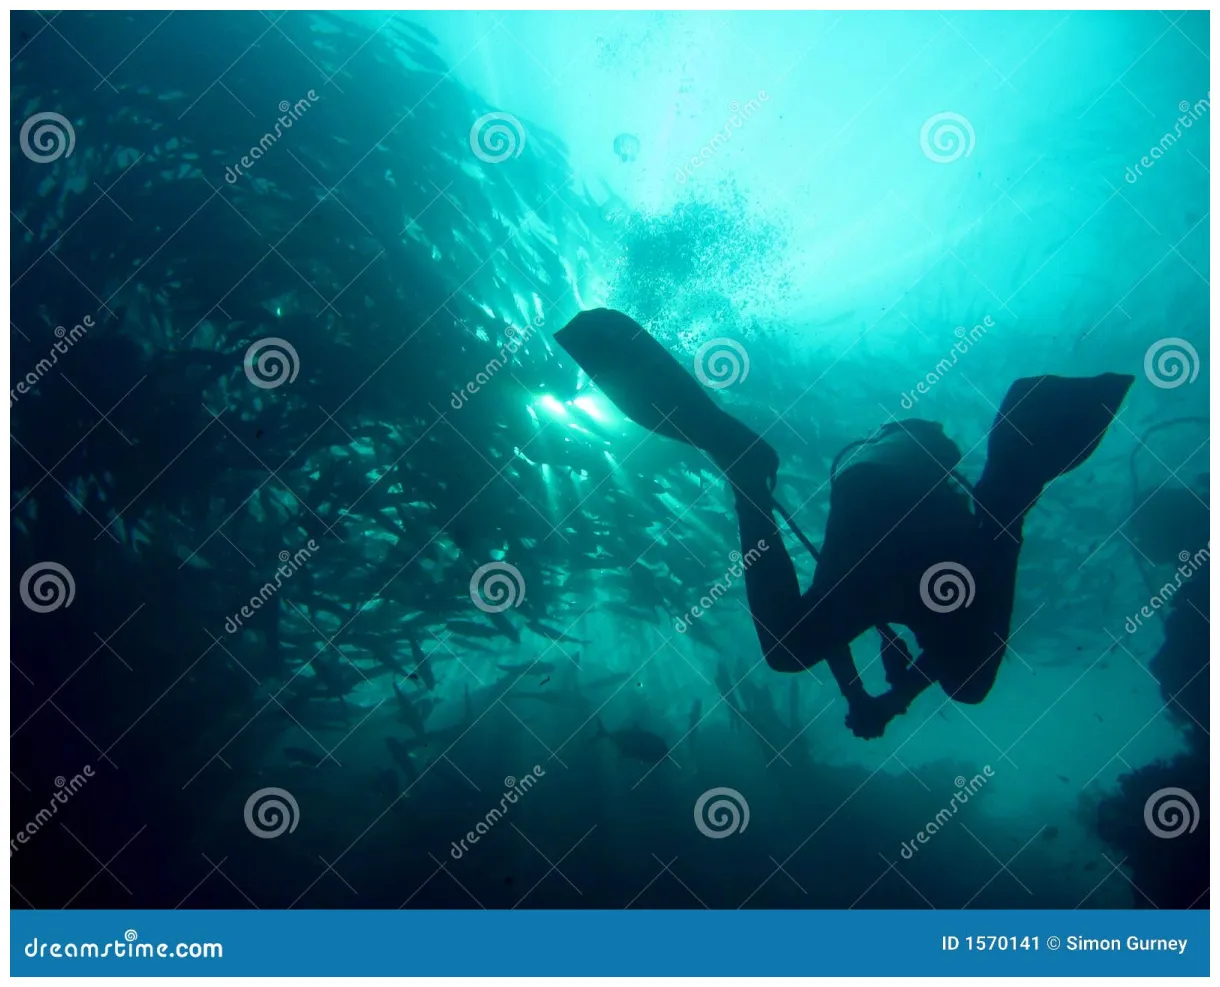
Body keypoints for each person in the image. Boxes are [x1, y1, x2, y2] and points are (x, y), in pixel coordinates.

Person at [719, 373, 1134, 738]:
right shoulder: (935, 615)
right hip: (892, 501)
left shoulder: (900, 607)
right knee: (967, 683)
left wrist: (877, 696)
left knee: (966, 680)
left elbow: (831, 599)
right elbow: (946, 650)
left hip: (876, 491)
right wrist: (884, 697)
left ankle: (1003, 511)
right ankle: (748, 486)